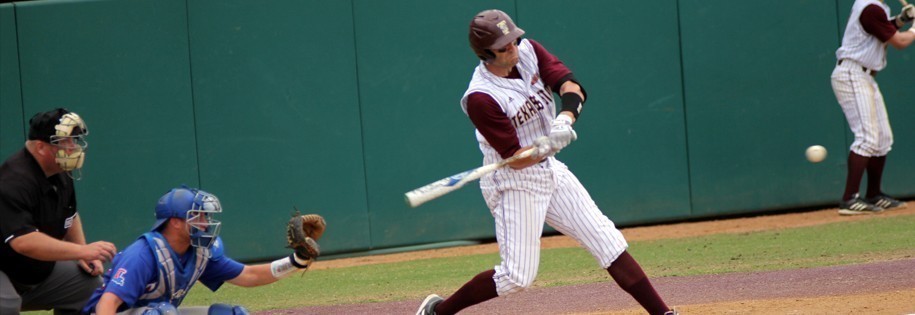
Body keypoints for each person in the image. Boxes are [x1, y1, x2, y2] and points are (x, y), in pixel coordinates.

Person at [416, 10, 676, 315]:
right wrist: (546, 145)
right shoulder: (481, 97)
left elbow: (571, 86)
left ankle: (663, 313)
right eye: (503, 47)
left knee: (608, 242)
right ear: (485, 54)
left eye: (514, 40)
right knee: (516, 277)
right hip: (515, 182)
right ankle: (438, 311)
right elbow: (515, 159)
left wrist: (565, 118)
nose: (513, 48)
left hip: (549, 169)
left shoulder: (530, 51)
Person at [80, 185, 317, 315]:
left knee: (234, 314)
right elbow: (106, 306)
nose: (205, 223)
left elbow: (248, 275)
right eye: (198, 216)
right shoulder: (143, 254)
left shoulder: (200, 250)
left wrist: (296, 260)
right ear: (175, 222)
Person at [0, 108, 117, 315]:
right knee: (6, 305)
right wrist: (82, 251)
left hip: (32, 272)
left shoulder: (60, 172)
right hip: (5, 269)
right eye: (65, 142)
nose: (73, 147)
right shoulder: (13, 180)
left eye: (74, 140)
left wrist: (83, 251)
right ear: (40, 147)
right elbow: (23, 242)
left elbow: (70, 216)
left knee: (91, 288)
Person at [831, 0, 914, 215]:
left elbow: (882, 30)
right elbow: (899, 42)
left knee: (883, 138)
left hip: (864, 76)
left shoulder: (876, 8)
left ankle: (874, 193)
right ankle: (849, 198)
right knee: (867, 138)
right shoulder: (871, 8)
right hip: (852, 74)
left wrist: (902, 19)